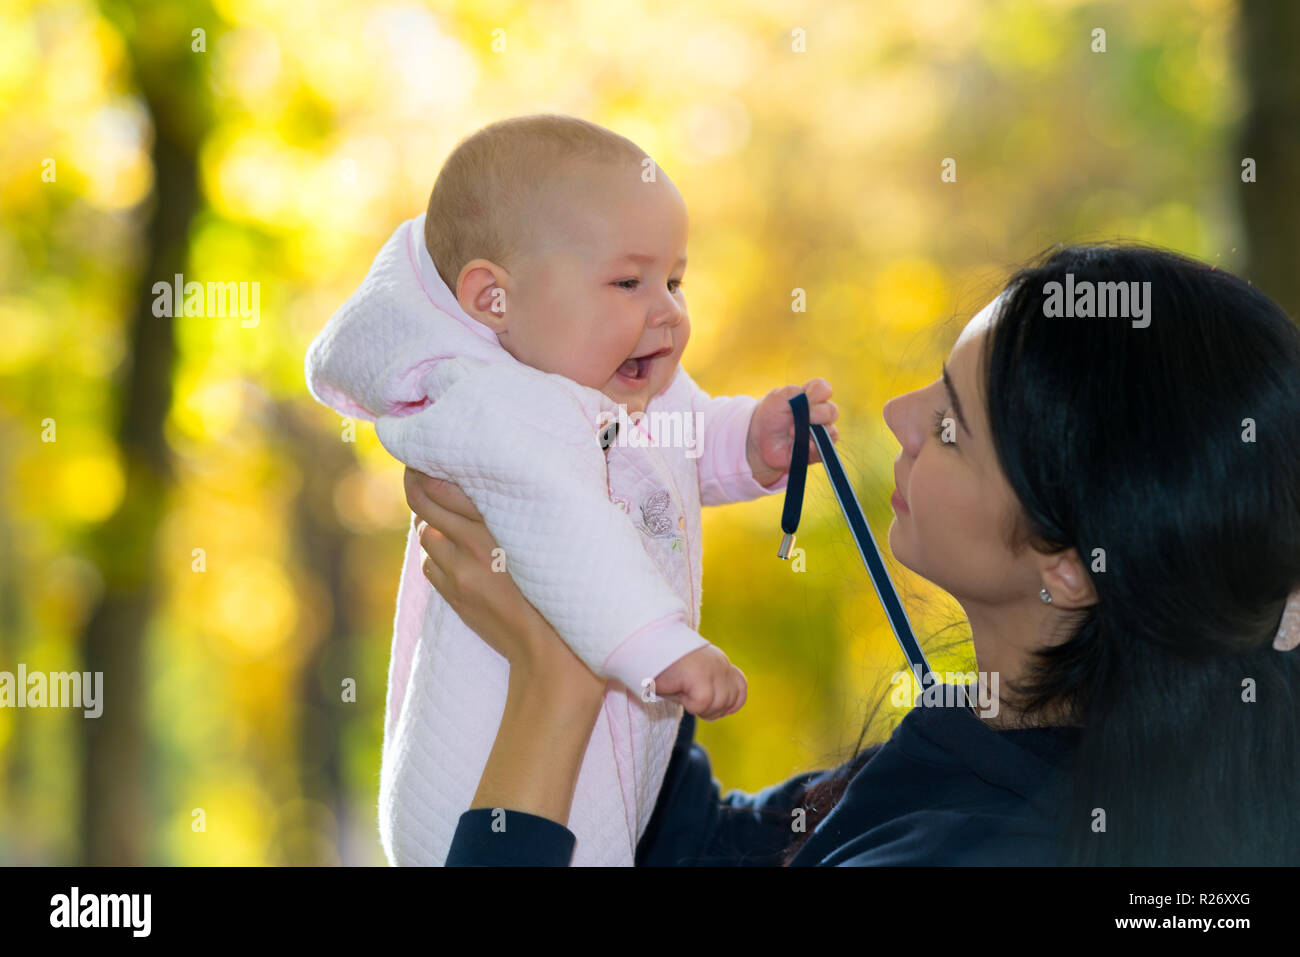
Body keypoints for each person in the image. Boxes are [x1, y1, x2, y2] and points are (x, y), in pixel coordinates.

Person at [406, 242, 1300, 866]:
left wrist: (555, 689)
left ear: (1070, 564)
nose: (900, 418)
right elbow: (705, 850)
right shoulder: (1008, 743)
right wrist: (620, 538)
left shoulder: (996, 845)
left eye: (951, 426)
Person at [303, 113, 838, 865]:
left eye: (675, 280)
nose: (668, 312)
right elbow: (569, 533)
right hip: (483, 787)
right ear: (494, 298)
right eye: (628, 280)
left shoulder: (606, 380)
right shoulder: (495, 409)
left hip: (602, 766)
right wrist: (661, 646)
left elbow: (682, 437)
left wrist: (751, 442)